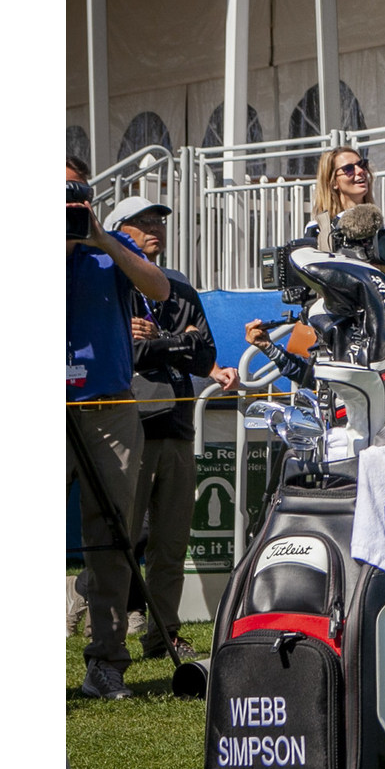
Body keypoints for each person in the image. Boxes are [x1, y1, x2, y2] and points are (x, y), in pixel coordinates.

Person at [108, 195, 232, 668]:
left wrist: (159, 341)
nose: (155, 227)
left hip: (177, 422)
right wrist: (177, 344)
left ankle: (164, 634)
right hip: (131, 420)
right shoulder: (114, 282)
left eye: (159, 219)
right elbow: (129, 355)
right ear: (120, 229)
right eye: (142, 222)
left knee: (170, 542)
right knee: (121, 539)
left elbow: (204, 354)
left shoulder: (178, 286)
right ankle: (111, 636)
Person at [67, 158, 173, 700]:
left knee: (111, 536)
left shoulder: (106, 248)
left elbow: (158, 290)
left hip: (108, 406)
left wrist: (100, 238)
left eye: (74, 190)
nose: (66, 200)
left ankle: (106, 662)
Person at [309, 145, 377, 248]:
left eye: (362, 165)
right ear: (333, 182)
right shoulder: (318, 229)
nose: (360, 171)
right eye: (348, 169)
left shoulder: (378, 224)